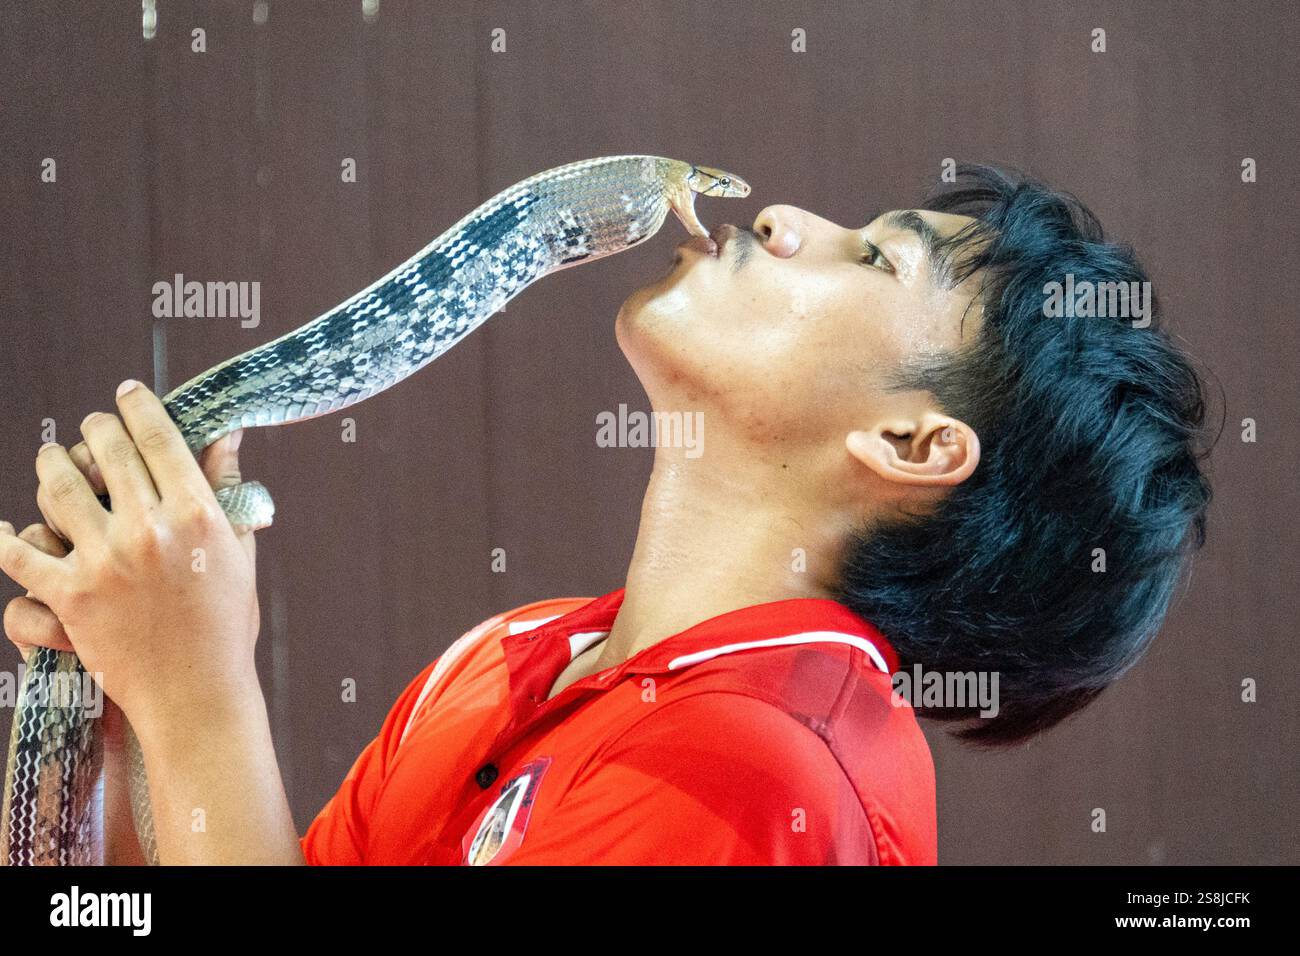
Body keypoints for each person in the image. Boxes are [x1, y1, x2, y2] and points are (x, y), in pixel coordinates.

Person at [0, 164, 1211, 865]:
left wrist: (198, 693)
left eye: (874, 260)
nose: (786, 220)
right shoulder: (508, 658)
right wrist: (110, 732)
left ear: (909, 443)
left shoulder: (747, 784)